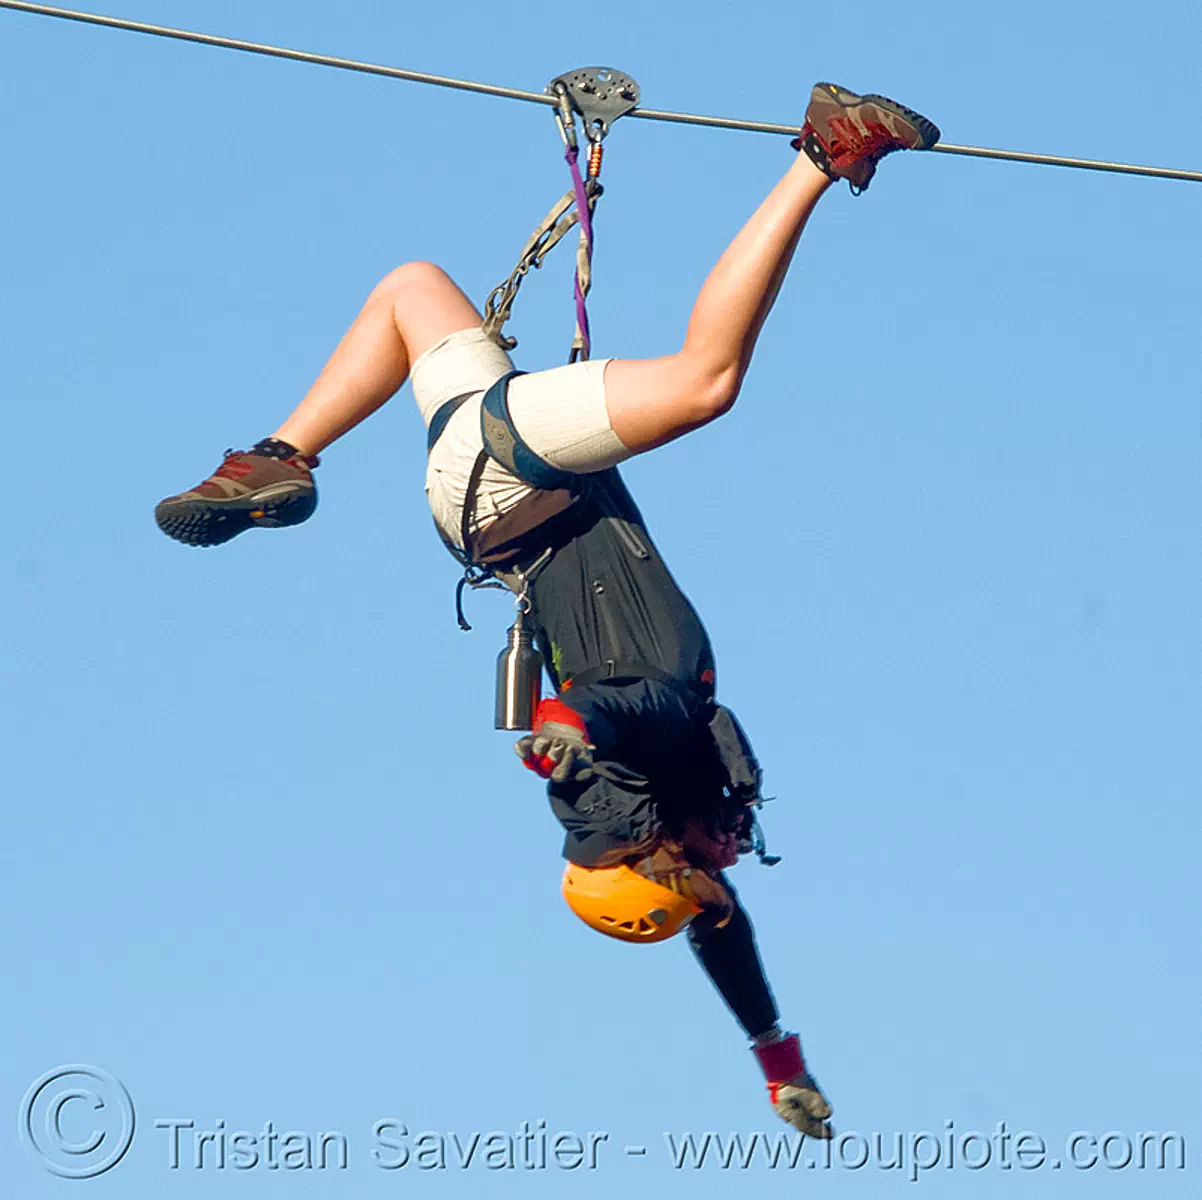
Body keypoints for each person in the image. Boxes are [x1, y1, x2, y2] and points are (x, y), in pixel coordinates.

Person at [155, 83, 940, 1137]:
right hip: (482, 495)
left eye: (702, 872)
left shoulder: (649, 744)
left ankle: (818, 152)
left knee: (704, 383)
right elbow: (721, 935)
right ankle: (276, 459)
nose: (726, 865)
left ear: (655, 848)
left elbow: (611, 713)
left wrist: (560, 738)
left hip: (503, 484)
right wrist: (773, 1055)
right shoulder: (670, 800)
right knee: (411, 289)